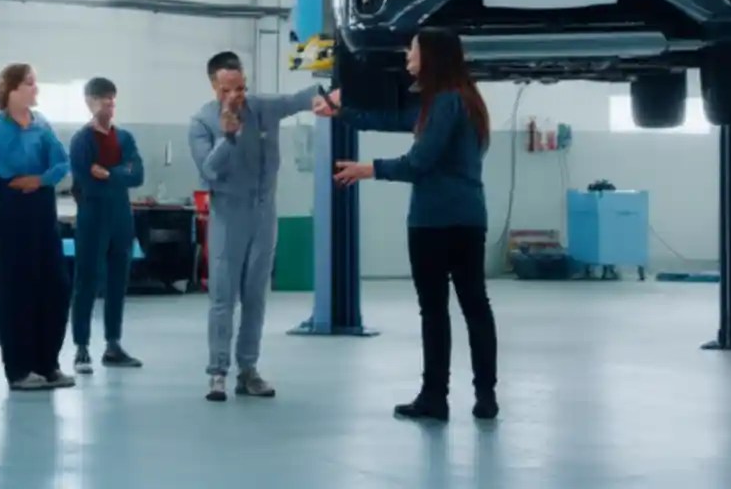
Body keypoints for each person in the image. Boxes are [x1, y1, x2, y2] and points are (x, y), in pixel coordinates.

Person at [332, 27, 499, 422]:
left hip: (434, 223)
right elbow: (392, 119)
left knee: (435, 311)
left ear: (433, 56)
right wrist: (343, 111)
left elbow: (419, 163)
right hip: (469, 219)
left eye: (413, 49)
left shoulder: (444, 101)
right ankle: (484, 396)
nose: (407, 56)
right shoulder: (460, 100)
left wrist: (368, 169)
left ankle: (435, 397)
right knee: (475, 306)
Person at [187, 51, 334, 402]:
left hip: (264, 213)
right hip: (228, 214)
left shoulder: (262, 108)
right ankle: (217, 373)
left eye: (240, 88)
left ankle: (248, 371)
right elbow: (208, 171)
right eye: (227, 89)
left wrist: (332, 88)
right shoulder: (201, 123)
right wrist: (228, 137)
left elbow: (299, 99)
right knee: (223, 297)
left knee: (255, 297)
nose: (235, 96)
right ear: (213, 86)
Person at [0, 64, 74, 391]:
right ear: (11, 89)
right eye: (30, 84)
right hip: (14, 204)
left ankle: (47, 362)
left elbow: (62, 162)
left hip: (42, 204)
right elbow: (11, 163)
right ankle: (19, 369)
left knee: (55, 284)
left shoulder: (43, 122)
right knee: (18, 286)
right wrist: (39, 169)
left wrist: (42, 178)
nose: (36, 90)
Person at [68, 77, 145, 374]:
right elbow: (86, 180)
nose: (108, 105)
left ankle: (113, 344)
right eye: (102, 100)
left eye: (112, 100)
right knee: (86, 281)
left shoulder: (124, 138)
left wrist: (109, 173)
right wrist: (117, 173)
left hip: (121, 218)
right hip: (92, 216)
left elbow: (137, 174)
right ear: (89, 101)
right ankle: (81, 347)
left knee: (117, 282)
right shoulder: (81, 140)